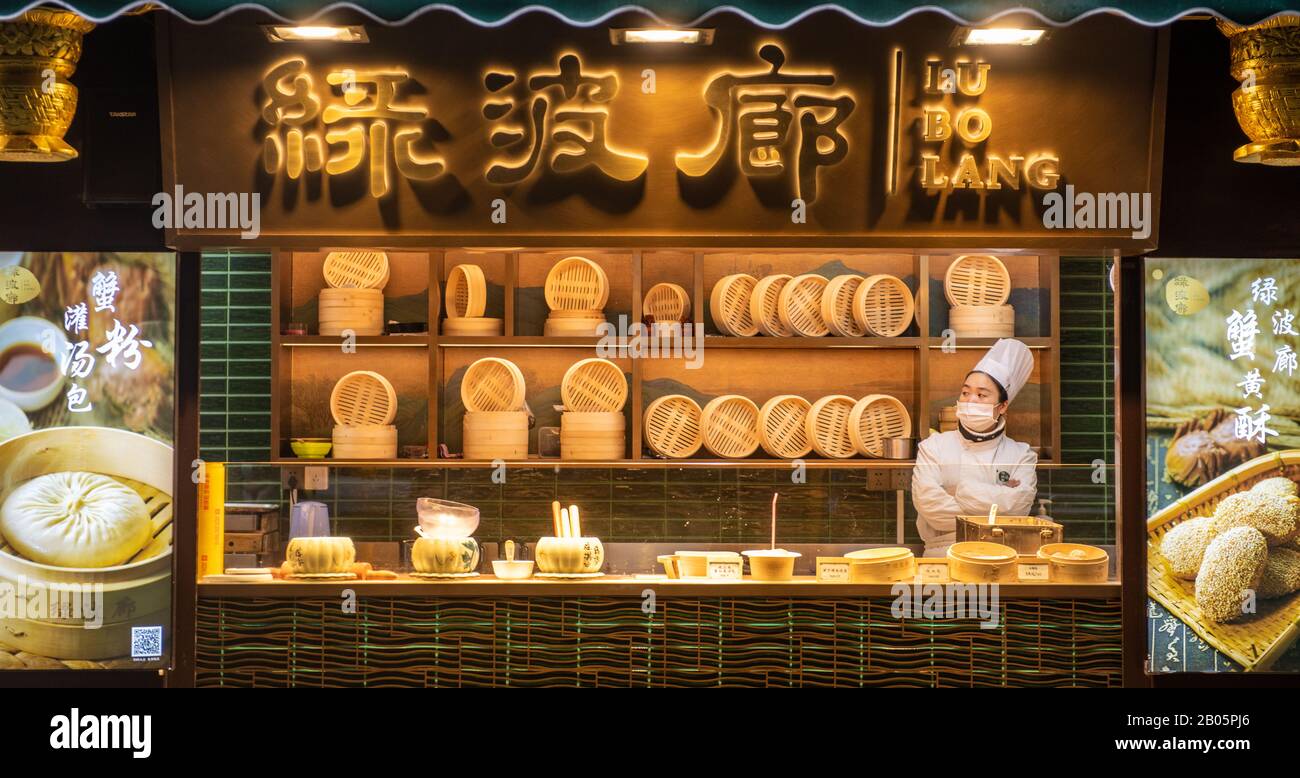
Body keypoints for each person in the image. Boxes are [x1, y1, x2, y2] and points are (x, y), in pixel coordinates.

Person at [912, 338, 1038, 557]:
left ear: (1002, 406)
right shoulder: (933, 447)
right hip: (941, 555)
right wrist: (998, 499)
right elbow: (931, 509)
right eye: (965, 392)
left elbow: (1018, 510)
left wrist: (959, 491)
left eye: (981, 395)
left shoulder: (1021, 455)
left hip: (998, 554)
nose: (970, 400)